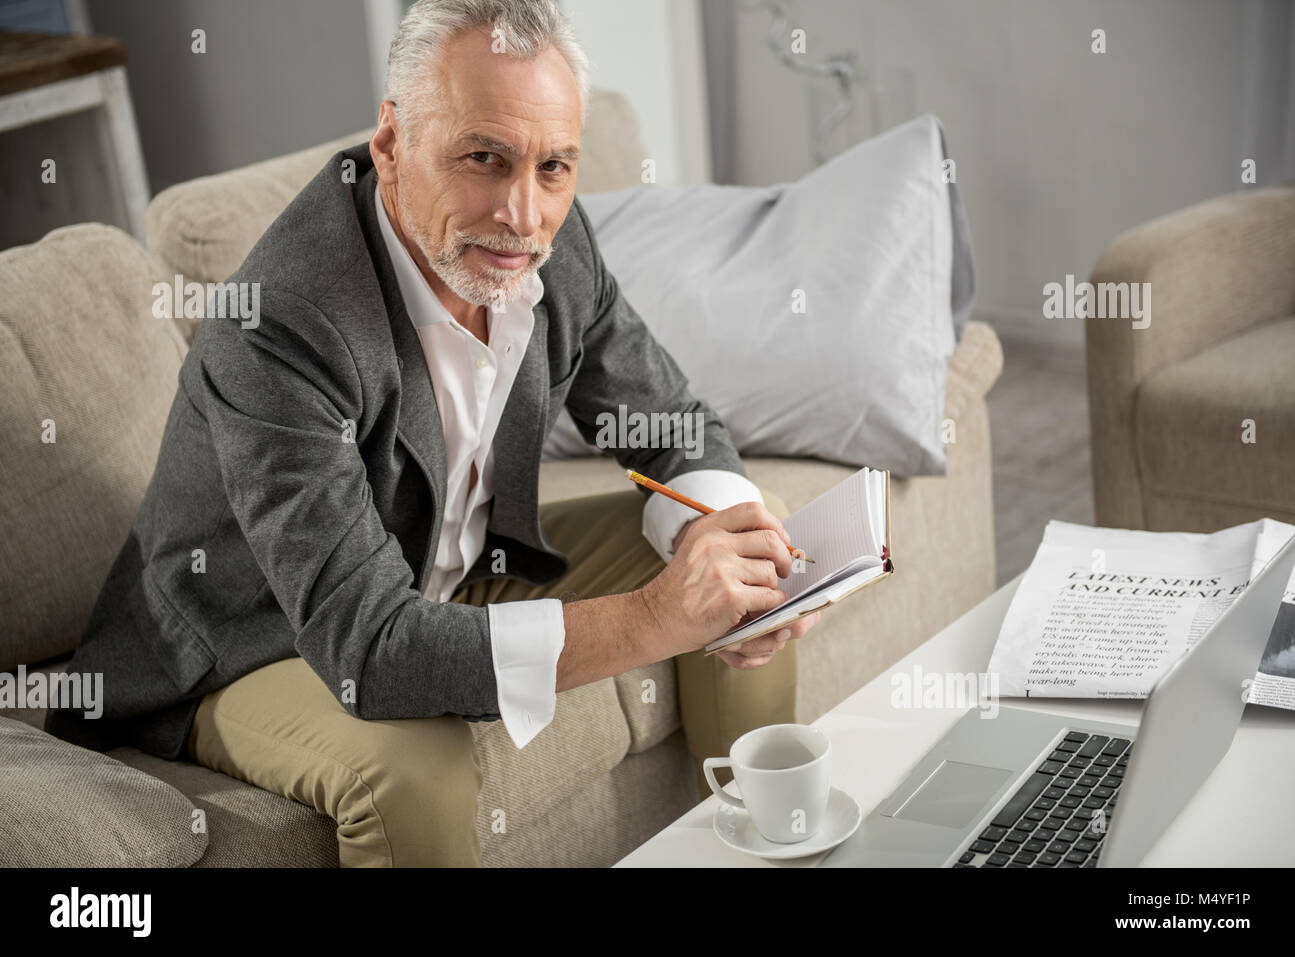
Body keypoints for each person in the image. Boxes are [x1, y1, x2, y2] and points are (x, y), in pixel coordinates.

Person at [46, 0, 820, 866]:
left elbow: (670, 425)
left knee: (748, 544)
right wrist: (655, 618)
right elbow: (371, 649)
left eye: (553, 166)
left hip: (441, 570)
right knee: (415, 764)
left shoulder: (549, 244)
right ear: (391, 145)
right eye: (484, 158)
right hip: (248, 643)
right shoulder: (279, 326)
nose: (524, 215)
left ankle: (758, 847)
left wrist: (720, 558)